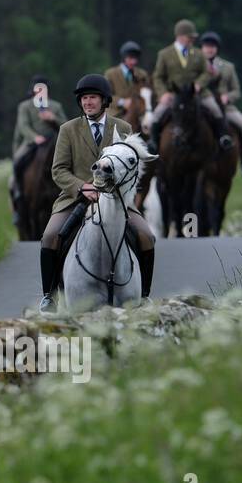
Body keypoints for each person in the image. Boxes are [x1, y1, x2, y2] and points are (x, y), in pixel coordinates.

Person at [38, 75, 156, 311]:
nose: (87, 102)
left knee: (146, 236)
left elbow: (130, 165)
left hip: (117, 199)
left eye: (92, 98)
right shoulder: (68, 129)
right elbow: (59, 170)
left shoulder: (122, 128)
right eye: (84, 98)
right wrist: (82, 186)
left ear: (104, 101)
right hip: (76, 198)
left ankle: (143, 295)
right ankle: (49, 295)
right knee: (50, 237)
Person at [147, 19, 233, 154]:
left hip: (198, 93)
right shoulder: (164, 54)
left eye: (193, 37)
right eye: (190, 37)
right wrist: (163, 93)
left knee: (215, 109)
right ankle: (153, 142)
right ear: (180, 36)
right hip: (173, 94)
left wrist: (199, 84)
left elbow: (206, 72)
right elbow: (158, 76)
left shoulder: (198, 53)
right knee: (157, 115)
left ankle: (223, 137)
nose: (192, 40)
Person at [9, 75, 67, 228]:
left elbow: (67, 126)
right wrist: (34, 137)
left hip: (53, 143)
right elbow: (23, 126)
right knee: (17, 162)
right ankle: (18, 192)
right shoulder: (25, 106)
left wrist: (53, 119)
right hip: (32, 143)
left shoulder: (55, 106)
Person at [198, 31, 242, 165]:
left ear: (217, 49)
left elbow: (237, 91)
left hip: (225, 107)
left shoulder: (228, 67)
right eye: (207, 46)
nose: (209, 49)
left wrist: (228, 97)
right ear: (202, 47)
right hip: (200, 106)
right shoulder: (194, 66)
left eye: (213, 46)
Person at [104, 41, 150, 121]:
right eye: (130, 58)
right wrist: (122, 102)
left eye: (135, 58)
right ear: (123, 57)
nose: (134, 62)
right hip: (116, 113)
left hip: (138, 114)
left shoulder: (142, 74)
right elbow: (106, 95)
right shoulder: (110, 74)